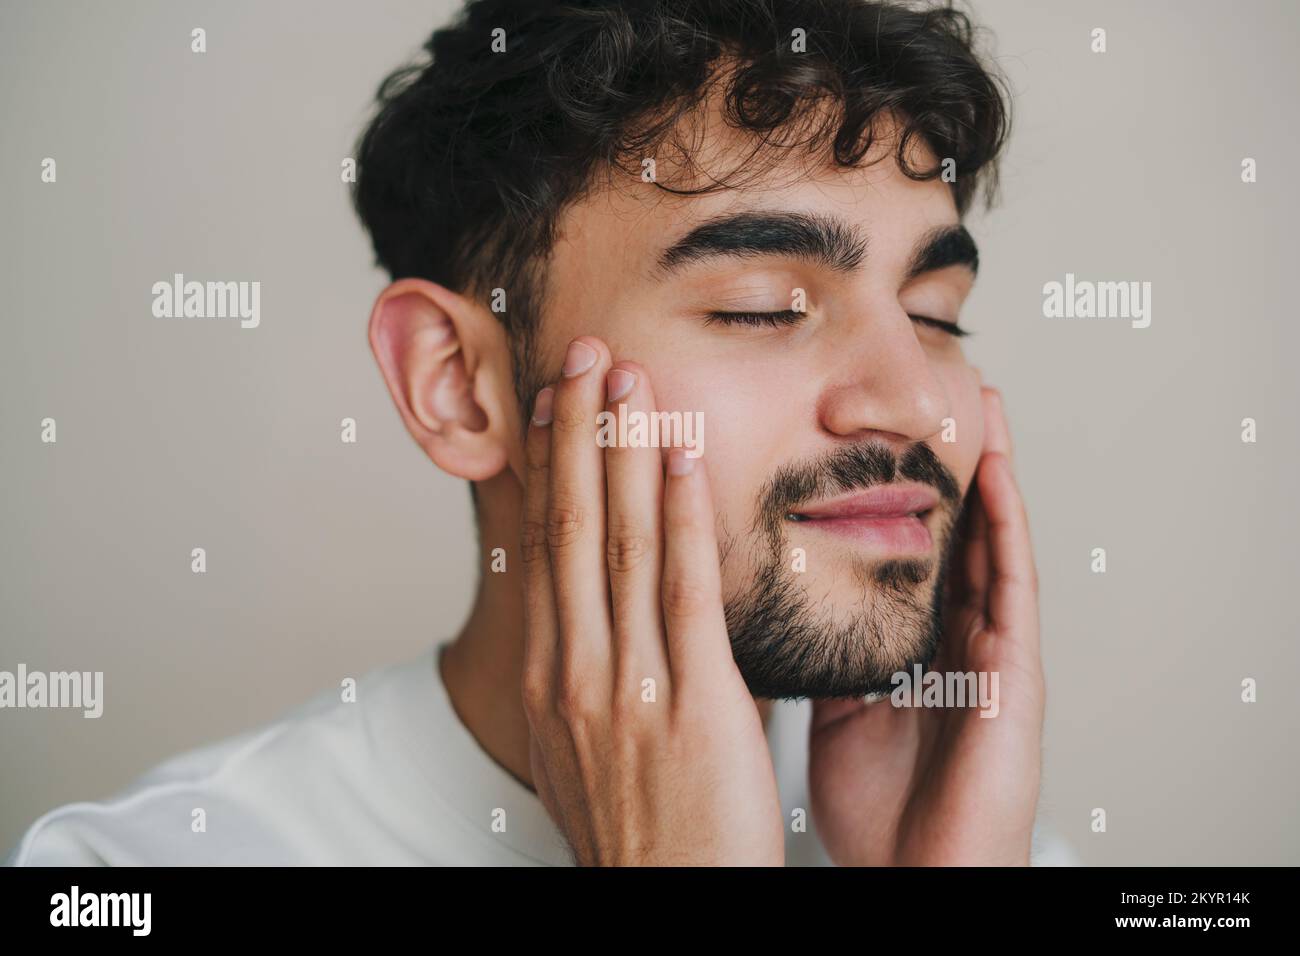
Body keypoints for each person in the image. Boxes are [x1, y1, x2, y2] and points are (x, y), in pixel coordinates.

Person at [9, 0, 1079, 866]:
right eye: (762, 302)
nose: (913, 400)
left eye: (935, 315)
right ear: (458, 385)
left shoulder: (963, 840)